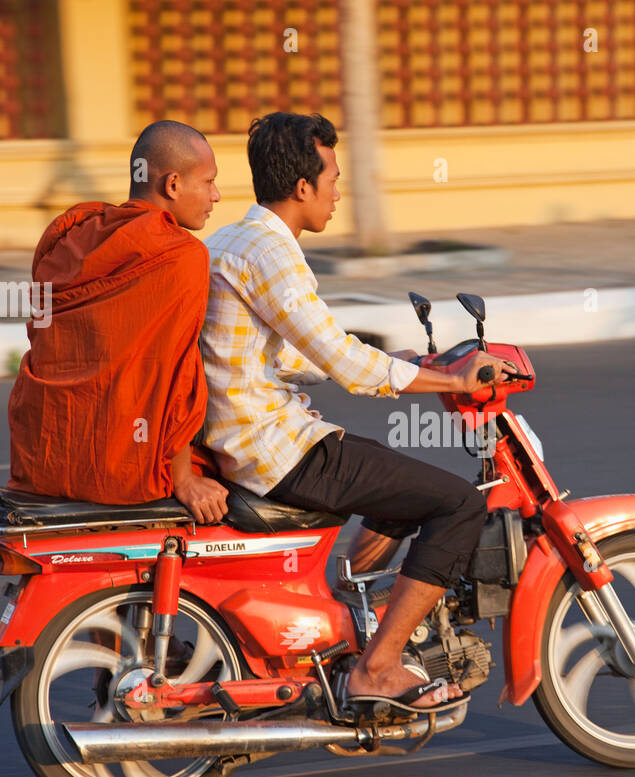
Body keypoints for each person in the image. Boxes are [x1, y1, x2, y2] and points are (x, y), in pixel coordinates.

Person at [200, 112, 514, 713]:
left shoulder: (230, 241)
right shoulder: (274, 253)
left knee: (395, 483)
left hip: (244, 438)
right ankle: (379, 666)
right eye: (333, 180)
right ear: (302, 188)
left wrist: (389, 360)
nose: (338, 193)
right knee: (457, 503)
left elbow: (282, 349)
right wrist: (446, 378)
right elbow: (342, 362)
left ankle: (353, 610)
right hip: (278, 449)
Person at [7, 120, 231, 525]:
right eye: (209, 181)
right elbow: (173, 371)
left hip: (45, 452)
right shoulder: (181, 255)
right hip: (121, 464)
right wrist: (183, 479)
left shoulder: (69, 233)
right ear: (174, 184)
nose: (216, 195)